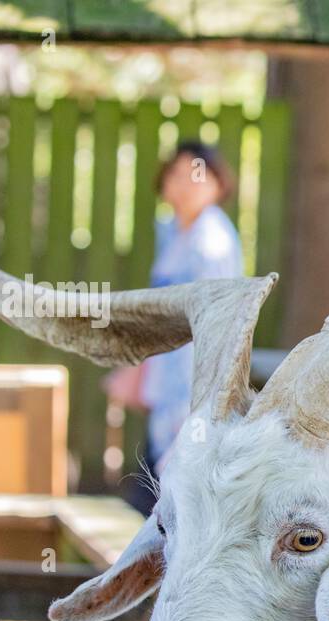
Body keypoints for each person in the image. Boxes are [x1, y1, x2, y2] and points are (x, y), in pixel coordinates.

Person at [106, 141, 243, 507]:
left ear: (218, 185)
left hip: (194, 381)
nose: (186, 184)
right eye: (177, 174)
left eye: (198, 175)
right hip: (168, 379)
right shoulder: (174, 233)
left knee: (177, 487)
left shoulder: (210, 242)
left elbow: (217, 323)